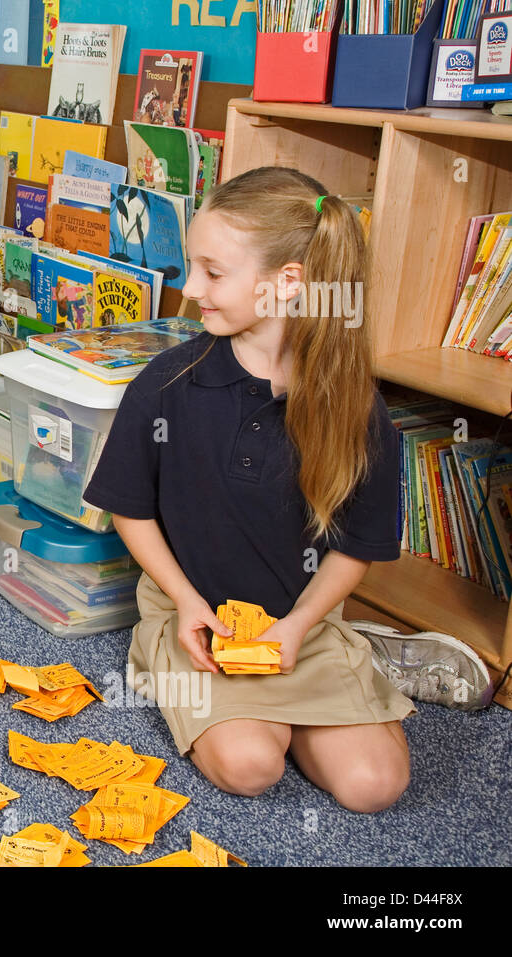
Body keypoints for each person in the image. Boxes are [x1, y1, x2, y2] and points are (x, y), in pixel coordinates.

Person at [83, 166, 485, 813]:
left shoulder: (357, 408)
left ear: (286, 284)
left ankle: (356, 657)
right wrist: (185, 602)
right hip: (197, 622)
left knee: (375, 787)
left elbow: (356, 546)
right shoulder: (165, 383)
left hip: (305, 625)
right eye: (193, 266)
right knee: (249, 767)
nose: (191, 289)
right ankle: (247, 694)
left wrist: (299, 626)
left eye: (214, 272)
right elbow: (129, 510)